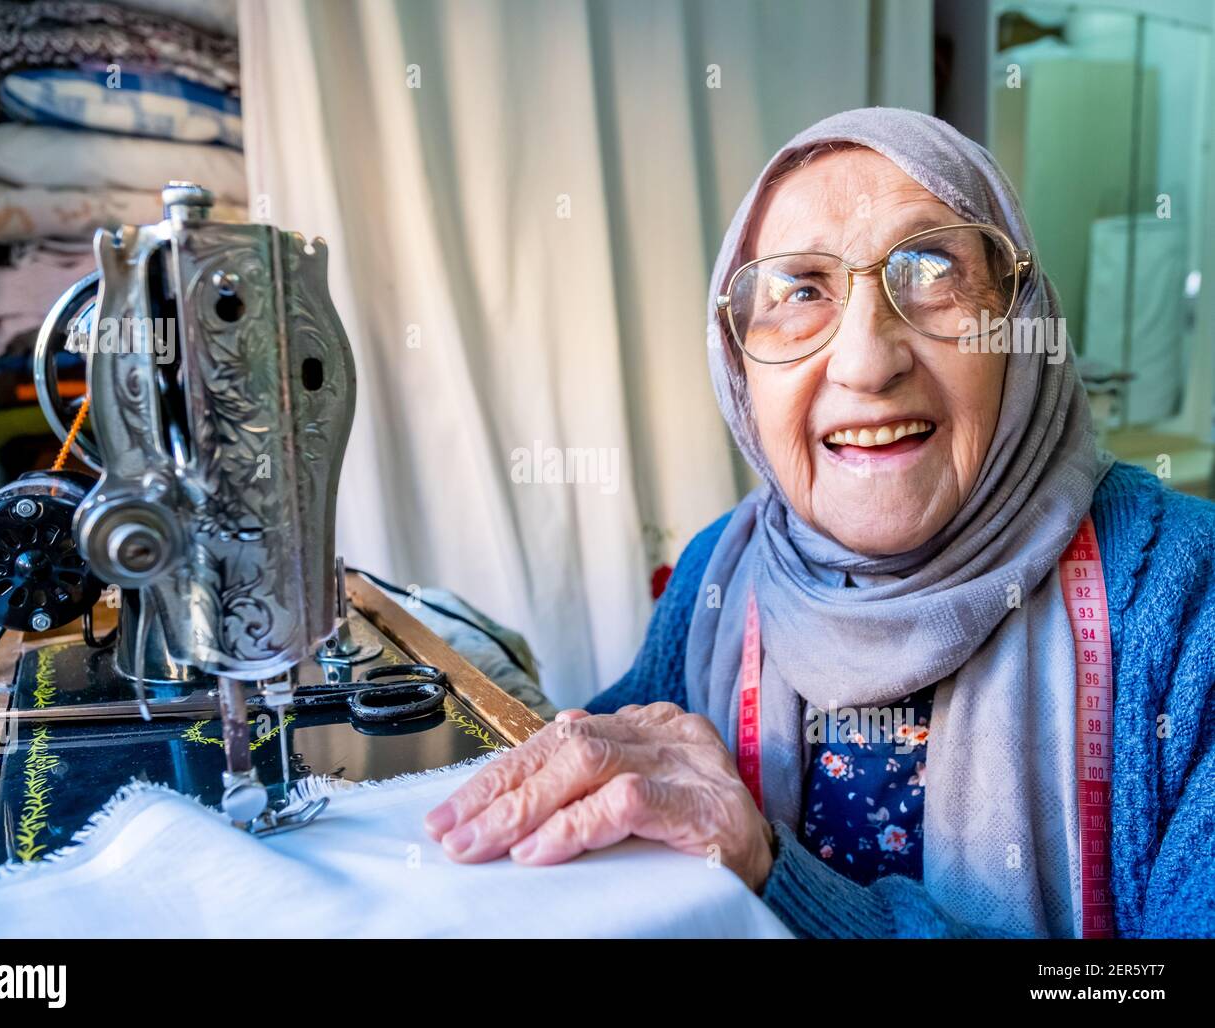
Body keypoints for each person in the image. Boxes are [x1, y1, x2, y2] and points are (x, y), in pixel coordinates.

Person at [424, 108, 1215, 938]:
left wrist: (770, 868)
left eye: (933, 269)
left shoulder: (1185, 597)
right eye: (799, 291)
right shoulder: (719, 575)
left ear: (1019, 322)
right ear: (737, 369)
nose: (867, 362)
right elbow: (617, 771)